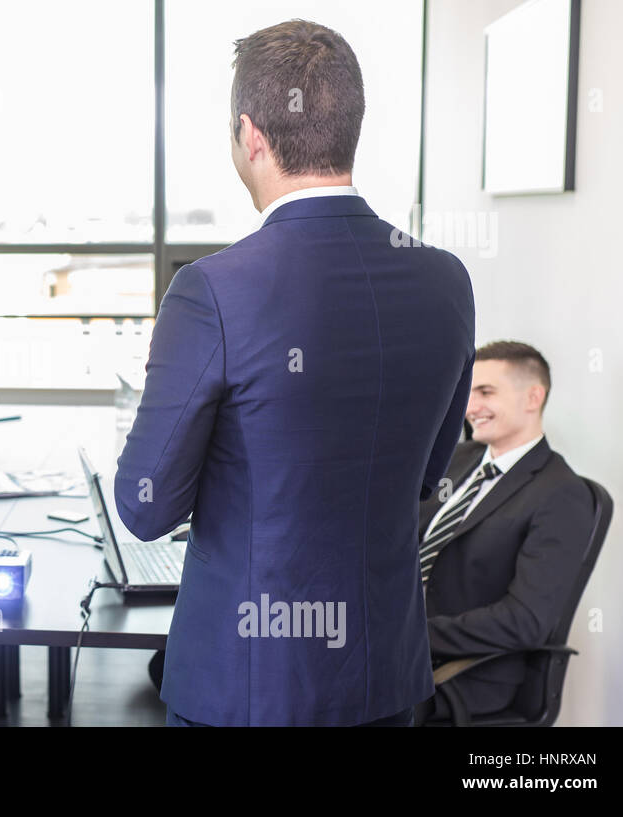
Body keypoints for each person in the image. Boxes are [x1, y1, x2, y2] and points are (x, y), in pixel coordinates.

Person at [115, 20, 476, 726]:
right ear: (351, 126)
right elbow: (430, 470)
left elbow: (145, 506)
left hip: (248, 687)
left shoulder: (211, 290)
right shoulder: (446, 280)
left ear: (250, 134)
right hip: (388, 678)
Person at [419, 341, 595, 720]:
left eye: (486, 392)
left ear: (533, 397)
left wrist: (413, 634)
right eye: (469, 393)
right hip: (401, 648)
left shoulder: (560, 494)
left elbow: (525, 621)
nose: (470, 408)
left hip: (460, 673)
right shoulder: (458, 458)